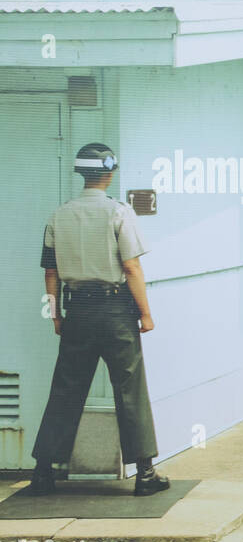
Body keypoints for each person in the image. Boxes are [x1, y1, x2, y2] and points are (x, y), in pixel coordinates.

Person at [20, 142, 170, 497]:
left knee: (66, 389)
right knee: (130, 388)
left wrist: (55, 314)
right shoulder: (119, 213)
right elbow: (131, 266)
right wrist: (146, 314)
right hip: (116, 309)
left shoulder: (58, 215)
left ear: (81, 174)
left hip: (78, 312)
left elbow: (51, 272)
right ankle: (145, 474)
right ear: (109, 172)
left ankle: (43, 472)